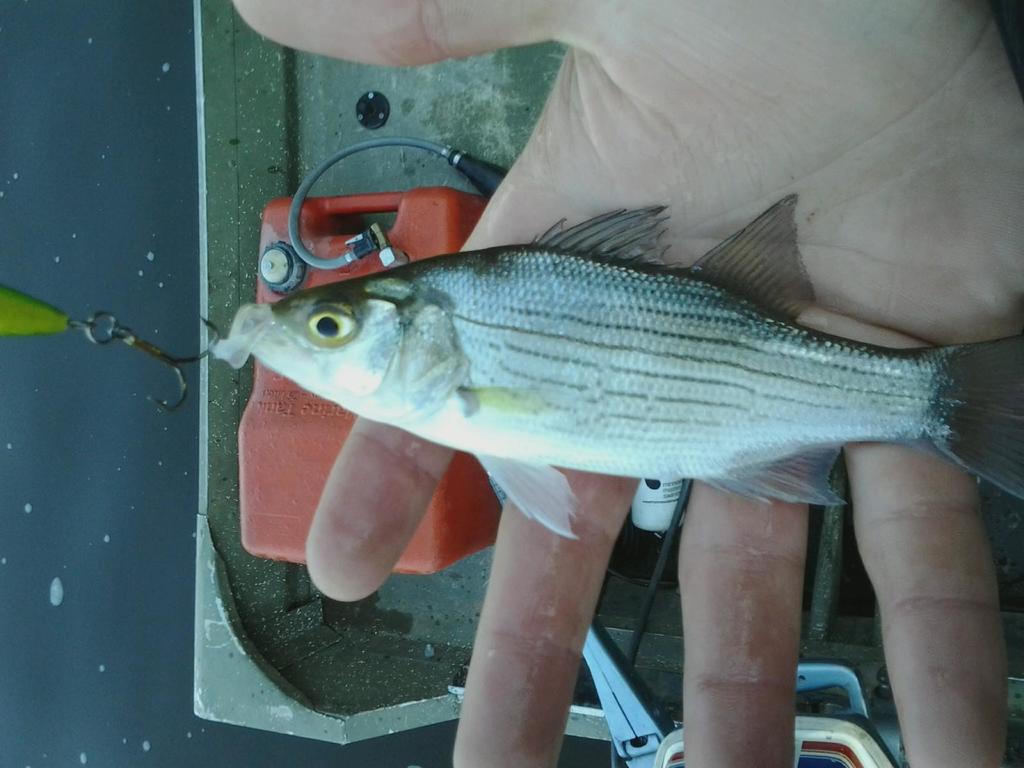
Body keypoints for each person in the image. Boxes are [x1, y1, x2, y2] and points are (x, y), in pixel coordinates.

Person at [232, 1, 1023, 765]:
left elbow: (535, 472)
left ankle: (934, 396)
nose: (310, 341)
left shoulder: (461, 389)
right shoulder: (456, 384)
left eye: (330, 327)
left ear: (425, 333)